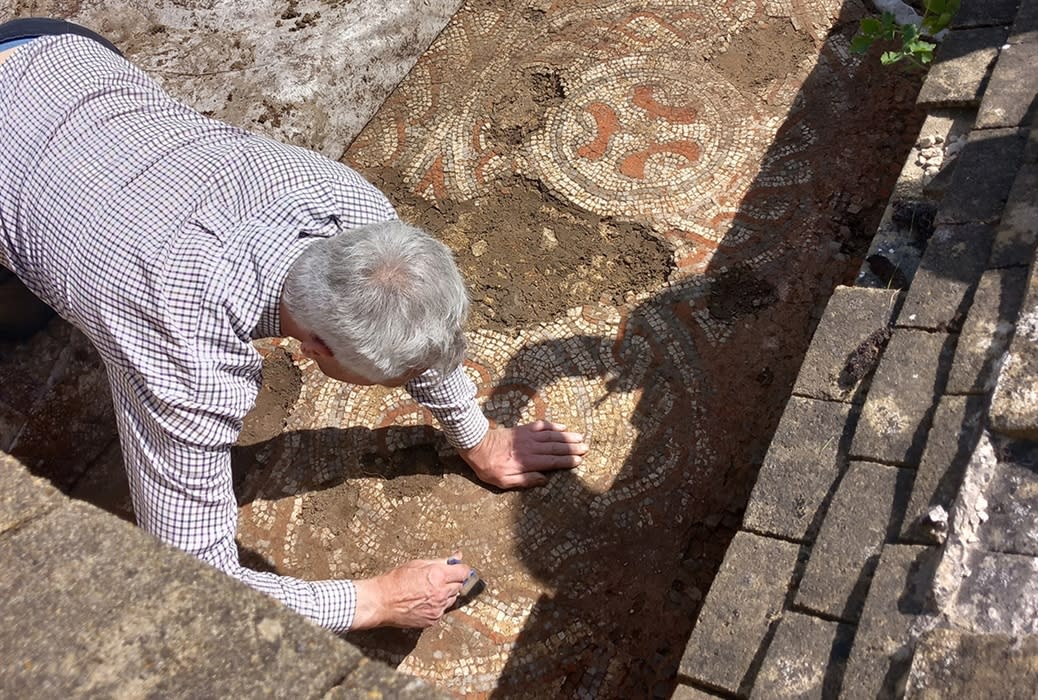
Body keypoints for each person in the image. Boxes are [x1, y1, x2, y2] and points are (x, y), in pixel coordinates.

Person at [0, 19, 589, 632]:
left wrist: (478, 437)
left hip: (60, 57)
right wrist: (376, 601)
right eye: (393, 378)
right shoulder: (187, 361)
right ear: (313, 348)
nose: (419, 378)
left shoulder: (352, 209)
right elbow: (194, 574)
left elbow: (417, 332)